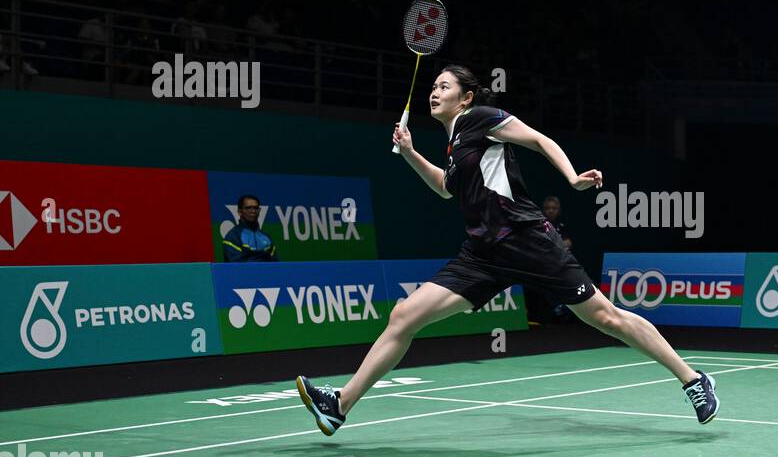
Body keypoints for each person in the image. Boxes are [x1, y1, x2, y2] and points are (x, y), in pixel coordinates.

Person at [295, 65, 719, 435]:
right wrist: (408, 153)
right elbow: (446, 188)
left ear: (467, 97)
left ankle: (692, 379)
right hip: (483, 253)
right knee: (404, 316)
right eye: (434, 86)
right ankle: (340, 406)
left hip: (528, 240)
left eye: (444, 86)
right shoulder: (457, 143)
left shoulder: (479, 119)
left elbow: (537, 139)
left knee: (606, 317)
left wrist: (571, 178)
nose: (434, 91)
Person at [222, 194, 278, 261]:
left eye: (256, 208)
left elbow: (275, 264)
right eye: (248, 208)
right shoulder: (232, 236)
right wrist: (263, 257)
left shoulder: (266, 237)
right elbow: (238, 265)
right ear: (240, 212)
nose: (253, 211)